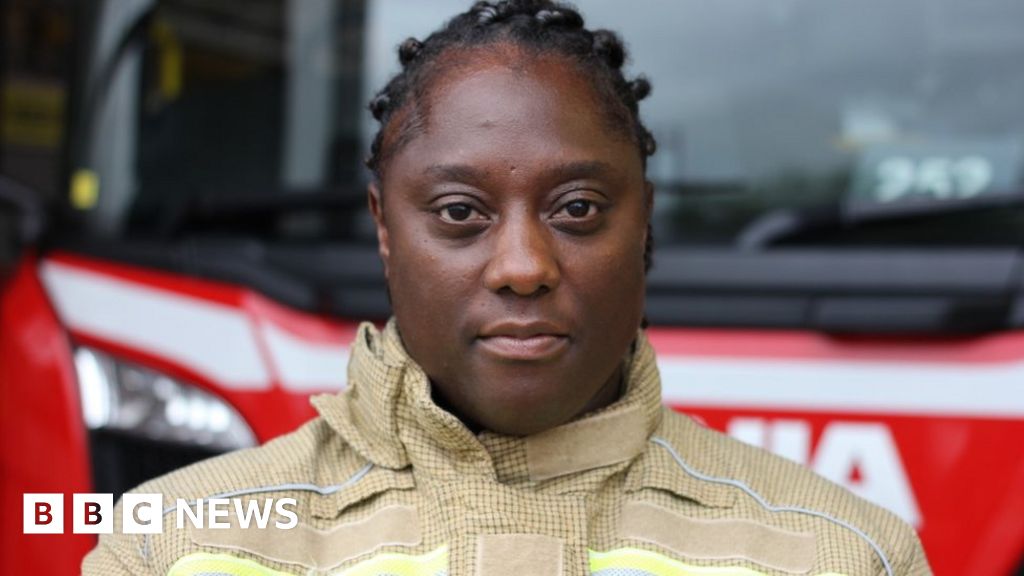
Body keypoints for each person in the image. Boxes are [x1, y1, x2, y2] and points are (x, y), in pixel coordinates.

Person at [83, 1, 931, 574]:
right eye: (459, 211)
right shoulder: (166, 547)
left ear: (644, 225)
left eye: (578, 208)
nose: (524, 265)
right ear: (384, 226)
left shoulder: (841, 554)